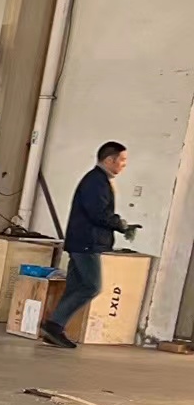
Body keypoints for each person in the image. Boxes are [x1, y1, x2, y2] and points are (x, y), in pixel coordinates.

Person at [44, 141, 137, 348]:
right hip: (86, 243)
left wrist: (120, 224)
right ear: (110, 160)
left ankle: (55, 327)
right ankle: (53, 325)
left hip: (82, 241)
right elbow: (98, 213)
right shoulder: (96, 182)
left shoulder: (99, 180)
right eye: (122, 160)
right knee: (91, 286)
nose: (124, 164)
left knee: (76, 286)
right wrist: (120, 224)